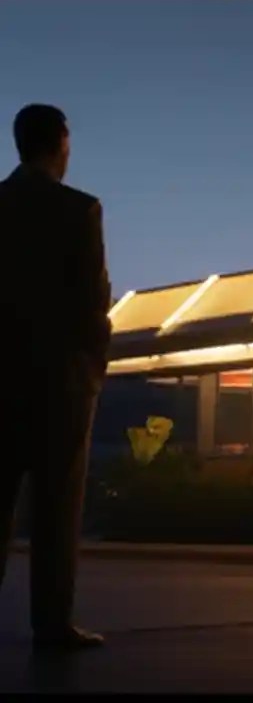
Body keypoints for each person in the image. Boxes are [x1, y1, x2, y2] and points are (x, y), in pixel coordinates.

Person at [0, 104, 112, 650]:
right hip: (58, 384)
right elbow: (92, 303)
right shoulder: (79, 210)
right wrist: (91, 370)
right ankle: (51, 623)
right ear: (62, 142)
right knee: (56, 510)